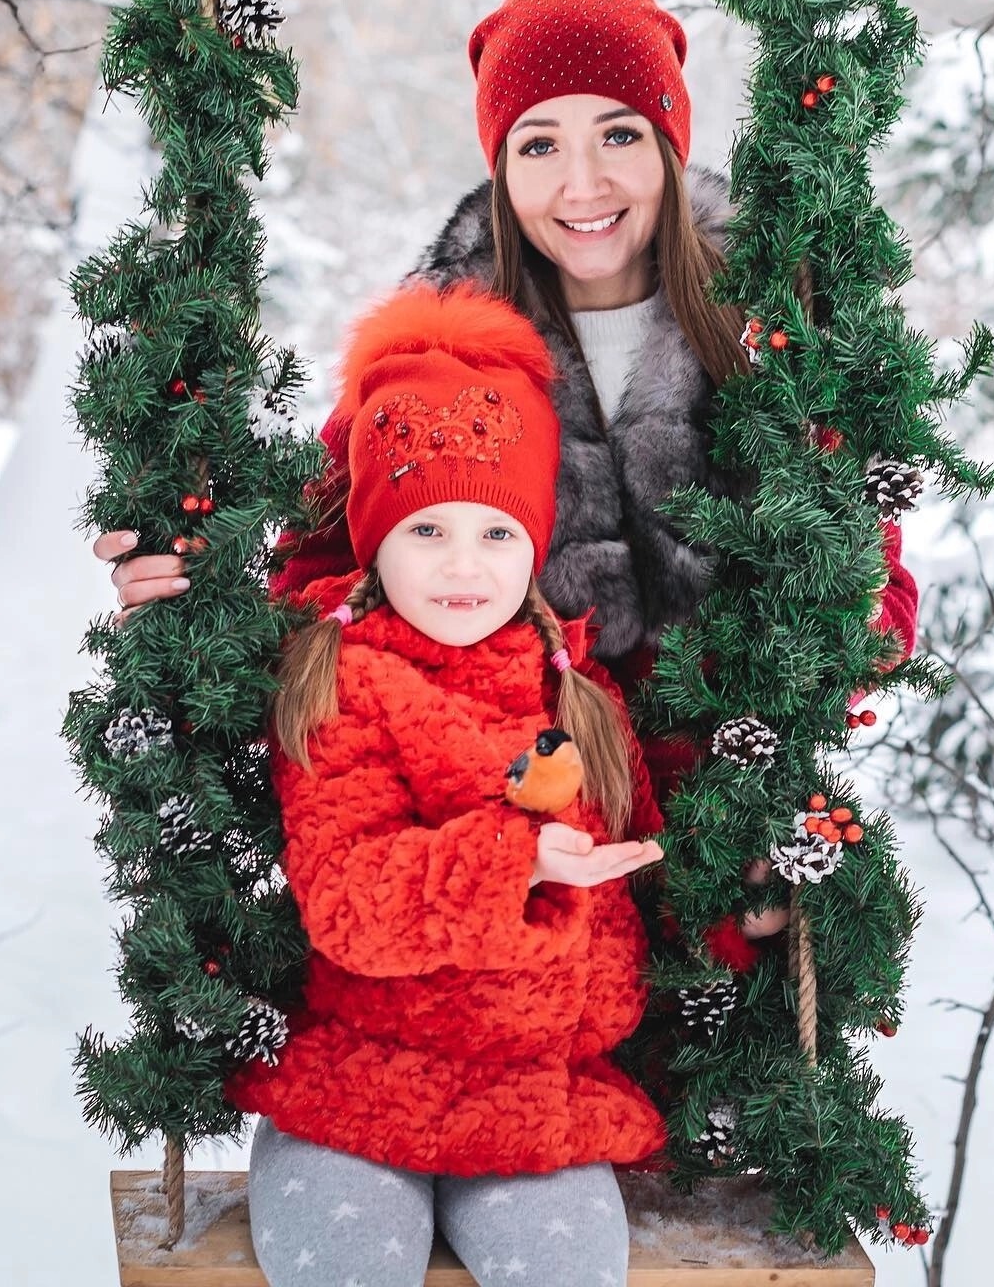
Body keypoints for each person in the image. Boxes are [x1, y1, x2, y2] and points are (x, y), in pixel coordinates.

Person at [98, 0, 919, 788]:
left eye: (619, 134)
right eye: (539, 145)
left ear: (670, 144)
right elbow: (317, 582)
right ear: (502, 166)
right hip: (513, 823)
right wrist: (193, 600)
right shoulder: (431, 354)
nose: (583, 183)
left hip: (722, 836)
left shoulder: (770, 331)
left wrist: (830, 639)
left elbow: (874, 590)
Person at [225, 282, 685, 1287]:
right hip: (359, 1088)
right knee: (347, 1265)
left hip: (532, 1102)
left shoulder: (582, 691)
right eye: (427, 532)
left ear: (535, 546)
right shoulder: (345, 681)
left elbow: (639, 868)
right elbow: (348, 900)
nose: (462, 567)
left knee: (570, 1272)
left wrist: (714, 914)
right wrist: (515, 859)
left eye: (496, 533)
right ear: (377, 541)